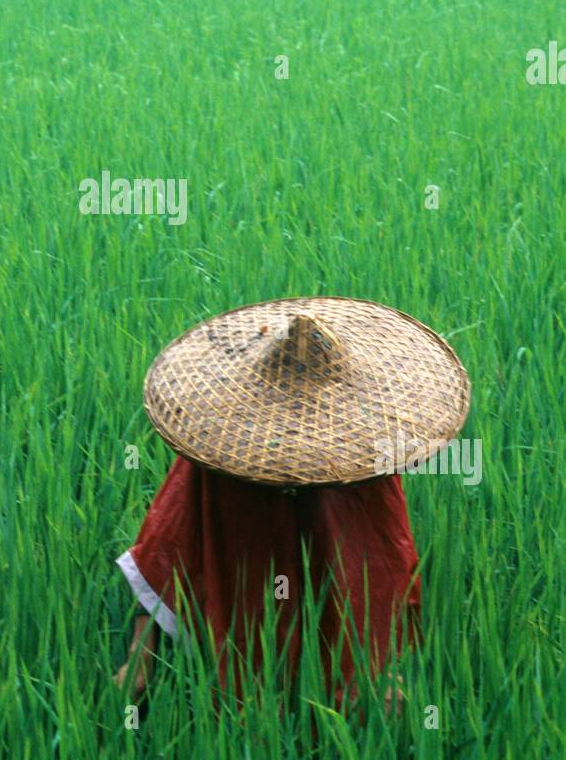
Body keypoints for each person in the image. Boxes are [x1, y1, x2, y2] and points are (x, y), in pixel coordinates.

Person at [115, 297, 471, 704]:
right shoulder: (216, 458)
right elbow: (170, 547)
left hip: (284, 547)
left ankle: (365, 669)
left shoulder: (364, 464)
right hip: (248, 538)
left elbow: (168, 547)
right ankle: (145, 655)